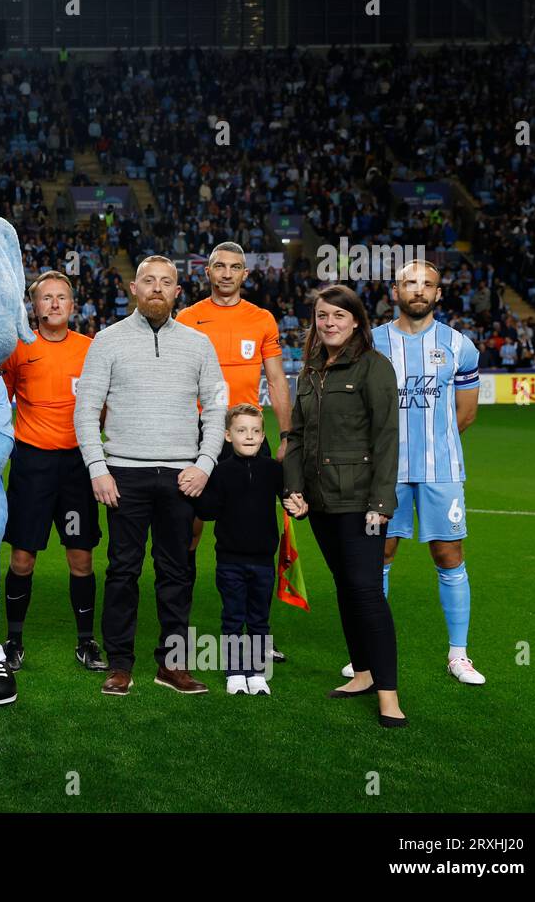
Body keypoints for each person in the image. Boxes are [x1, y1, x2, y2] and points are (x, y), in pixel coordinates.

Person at [74, 256, 227, 697]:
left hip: (182, 475)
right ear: (133, 289)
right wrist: (97, 468)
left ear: (178, 292)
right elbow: (85, 410)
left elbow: (217, 408)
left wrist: (205, 464)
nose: (157, 288)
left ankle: (172, 664)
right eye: (148, 281)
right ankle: (120, 663)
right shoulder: (107, 341)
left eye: (166, 282)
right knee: (122, 570)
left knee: (176, 571)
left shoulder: (199, 344)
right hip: (123, 474)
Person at [282, 284, 407, 728]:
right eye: (321, 316)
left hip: (361, 503)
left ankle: (388, 696)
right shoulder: (310, 370)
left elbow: (387, 438)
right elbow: (296, 437)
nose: (329, 323)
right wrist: (293, 488)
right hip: (320, 501)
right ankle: (363, 673)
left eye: (338, 315)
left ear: (356, 321)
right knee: (346, 587)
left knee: (367, 591)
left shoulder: (375, 367)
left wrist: (381, 502)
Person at [356, 260, 484, 685]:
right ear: (395, 291)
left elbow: (465, 415)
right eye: (410, 283)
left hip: (440, 471)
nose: (419, 291)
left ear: (438, 294)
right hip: (384, 474)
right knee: (380, 556)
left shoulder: (459, 345)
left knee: (448, 555)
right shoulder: (370, 343)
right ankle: (372, 656)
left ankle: (459, 654)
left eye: (427, 284)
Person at [177, 241, 293, 662]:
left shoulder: (261, 319)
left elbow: (277, 381)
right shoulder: (188, 318)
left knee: (257, 529)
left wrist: (286, 434)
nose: (227, 273)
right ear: (207, 272)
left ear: (246, 274)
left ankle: (260, 633)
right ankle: (180, 625)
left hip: (247, 439)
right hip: (196, 436)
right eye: (219, 266)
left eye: (235, 267)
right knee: (190, 530)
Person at [0, 271, 106, 673]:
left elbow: (102, 406)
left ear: (73, 305)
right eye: (47, 298)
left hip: (77, 468)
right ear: (35, 306)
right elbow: (0, 403)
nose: (55, 304)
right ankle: (13, 641)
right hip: (32, 467)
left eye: (62, 297)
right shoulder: (19, 349)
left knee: (80, 557)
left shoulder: (91, 349)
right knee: (23, 557)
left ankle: (86, 641)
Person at [194, 404, 306, 695]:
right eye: (242, 430)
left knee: (259, 618)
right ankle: (234, 672)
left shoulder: (272, 470)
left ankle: (256, 672)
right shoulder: (220, 472)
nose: (250, 436)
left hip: (263, 563)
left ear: (262, 434)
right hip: (229, 561)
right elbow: (207, 512)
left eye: (256, 431)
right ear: (228, 436)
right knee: (233, 617)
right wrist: (194, 487)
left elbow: (290, 500)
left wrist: (299, 507)